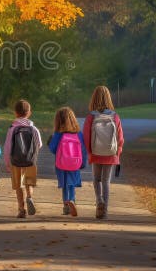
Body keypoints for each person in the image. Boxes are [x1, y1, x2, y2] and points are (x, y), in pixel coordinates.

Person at [83, 86, 124, 219]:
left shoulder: (91, 116)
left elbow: (86, 136)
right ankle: (104, 210)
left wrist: (89, 152)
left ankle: (99, 200)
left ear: (93, 98)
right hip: (110, 152)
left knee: (96, 179)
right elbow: (120, 137)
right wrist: (118, 153)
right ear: (108, 98)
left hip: (96, 152)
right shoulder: (115, 116)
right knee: (106, 181)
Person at [3, 99, 43, 218]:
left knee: (18, 186)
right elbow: (39, 144)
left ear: (15, 113)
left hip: (16, 161)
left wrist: (7, 162)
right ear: (29, 113)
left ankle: (21, 209)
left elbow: (7, 147)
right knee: (29, 183)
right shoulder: (34, 129)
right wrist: (32, 155)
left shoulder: (12, 129)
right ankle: (29, 197)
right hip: (30, 161)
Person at [48, 107, 87, 217]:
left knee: (65, 184)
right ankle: (72, 200)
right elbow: (83, 149)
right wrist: (83, 163)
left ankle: (66, 205)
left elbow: (53, 148)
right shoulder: (78, 134)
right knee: (72, 184)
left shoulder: (58, 134)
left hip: (61, 163)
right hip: (75, 163)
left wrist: (50, 141)